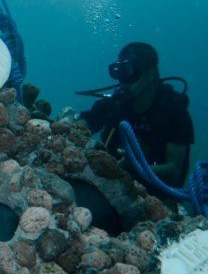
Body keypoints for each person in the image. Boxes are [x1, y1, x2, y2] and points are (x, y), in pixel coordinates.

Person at [79, 41, 194, 189]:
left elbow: (174, 172)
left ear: (151, 72)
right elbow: (82, 126)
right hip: (111, 186)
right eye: (120, 73)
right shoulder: (114, 105)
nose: (124, 82)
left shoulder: (174, 112)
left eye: (131, 72)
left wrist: (132, 169)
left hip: (156, 196)